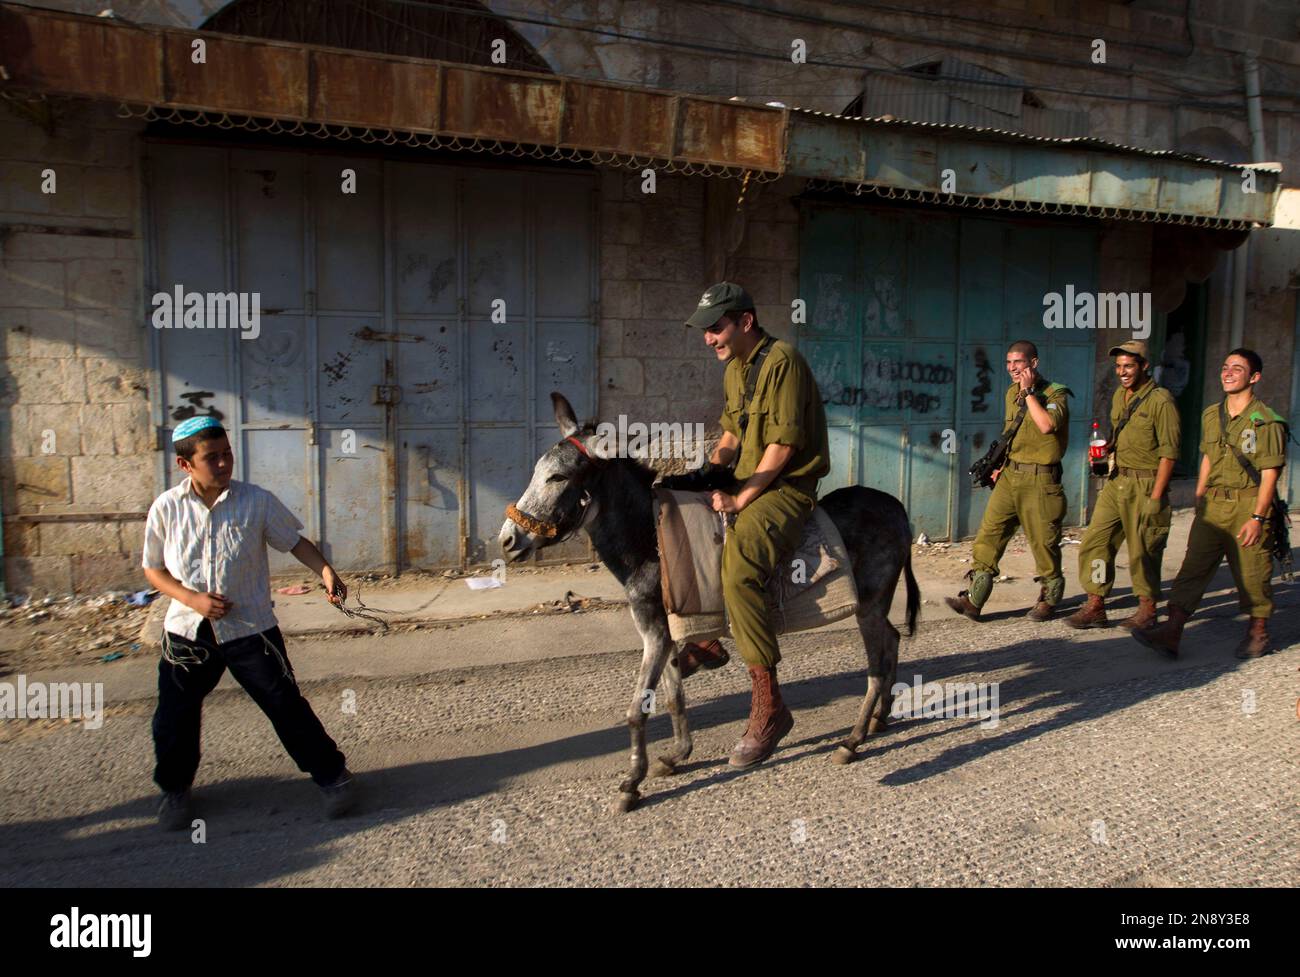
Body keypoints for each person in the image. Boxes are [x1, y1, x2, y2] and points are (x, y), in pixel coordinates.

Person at [142, 415, 356, 829]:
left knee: (285, 705)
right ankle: (175, 791)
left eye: (227, 454)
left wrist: (325, 571)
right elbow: (153, 570)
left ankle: (334, 779)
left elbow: (294, 542)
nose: (224, 464)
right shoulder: (166, 508)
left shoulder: (256, 500)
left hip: (251, 629)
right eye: (212, 458)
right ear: (185, 465)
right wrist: (192, 599)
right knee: (174, 716)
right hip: (187, 633)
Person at [672, 282, 830, 768]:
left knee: (740, 564)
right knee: (682, 529)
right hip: (747, 478)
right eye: (704, 331)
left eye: (715, 328)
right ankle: (707, 637)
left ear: (744, 322)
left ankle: (771, 706)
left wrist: (740, 497)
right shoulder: (737, 369)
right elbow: (732, 434)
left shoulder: (783, 362)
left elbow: (780, 448)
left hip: (784, 488)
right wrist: (708, 473)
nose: (708, 339)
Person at [1133, 348, 1286, 659]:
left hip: (1247, 505)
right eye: (1225, 366)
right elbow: (1207, 457)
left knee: (1253, 571)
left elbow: (1270, 473)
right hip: (1212, 506)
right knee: (1193, 567)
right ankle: (1172, 631)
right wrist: (1200, 496)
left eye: (1238, 369)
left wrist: (1258, 517)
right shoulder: (1210, 414)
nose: (1228, 373)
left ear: (1254, 378)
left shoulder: (1265, 422)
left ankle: (1258, 632)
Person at [946, 340, 1072, 621]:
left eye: (1018, 362)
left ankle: (1049, 598)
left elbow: (1046, 425)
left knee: (1044, 544)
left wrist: (1028, 393)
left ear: (1033, 363)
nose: (1012, 368)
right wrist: (998, 465)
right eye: (1008, 363)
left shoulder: (1055, 394)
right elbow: (1012, 433)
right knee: (989, 534)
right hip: (1011, 476)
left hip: (1041, 481)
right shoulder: (1010, 393)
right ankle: (975, 599)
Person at [1066, 340, 1180, 630]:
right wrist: (1105, 451)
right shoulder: (1120, 396)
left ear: (1143, 366)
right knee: (1096, 542)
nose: (1122, 372)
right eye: (1118, 367)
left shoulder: (1161, 400)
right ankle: (1096, 603)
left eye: (1128, 366)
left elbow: (1169, 453)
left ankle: (1147, 609)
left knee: (1144, 550)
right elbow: (1119, 432)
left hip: (1146, 484)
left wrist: (1156, 497)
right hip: (1118, 481)